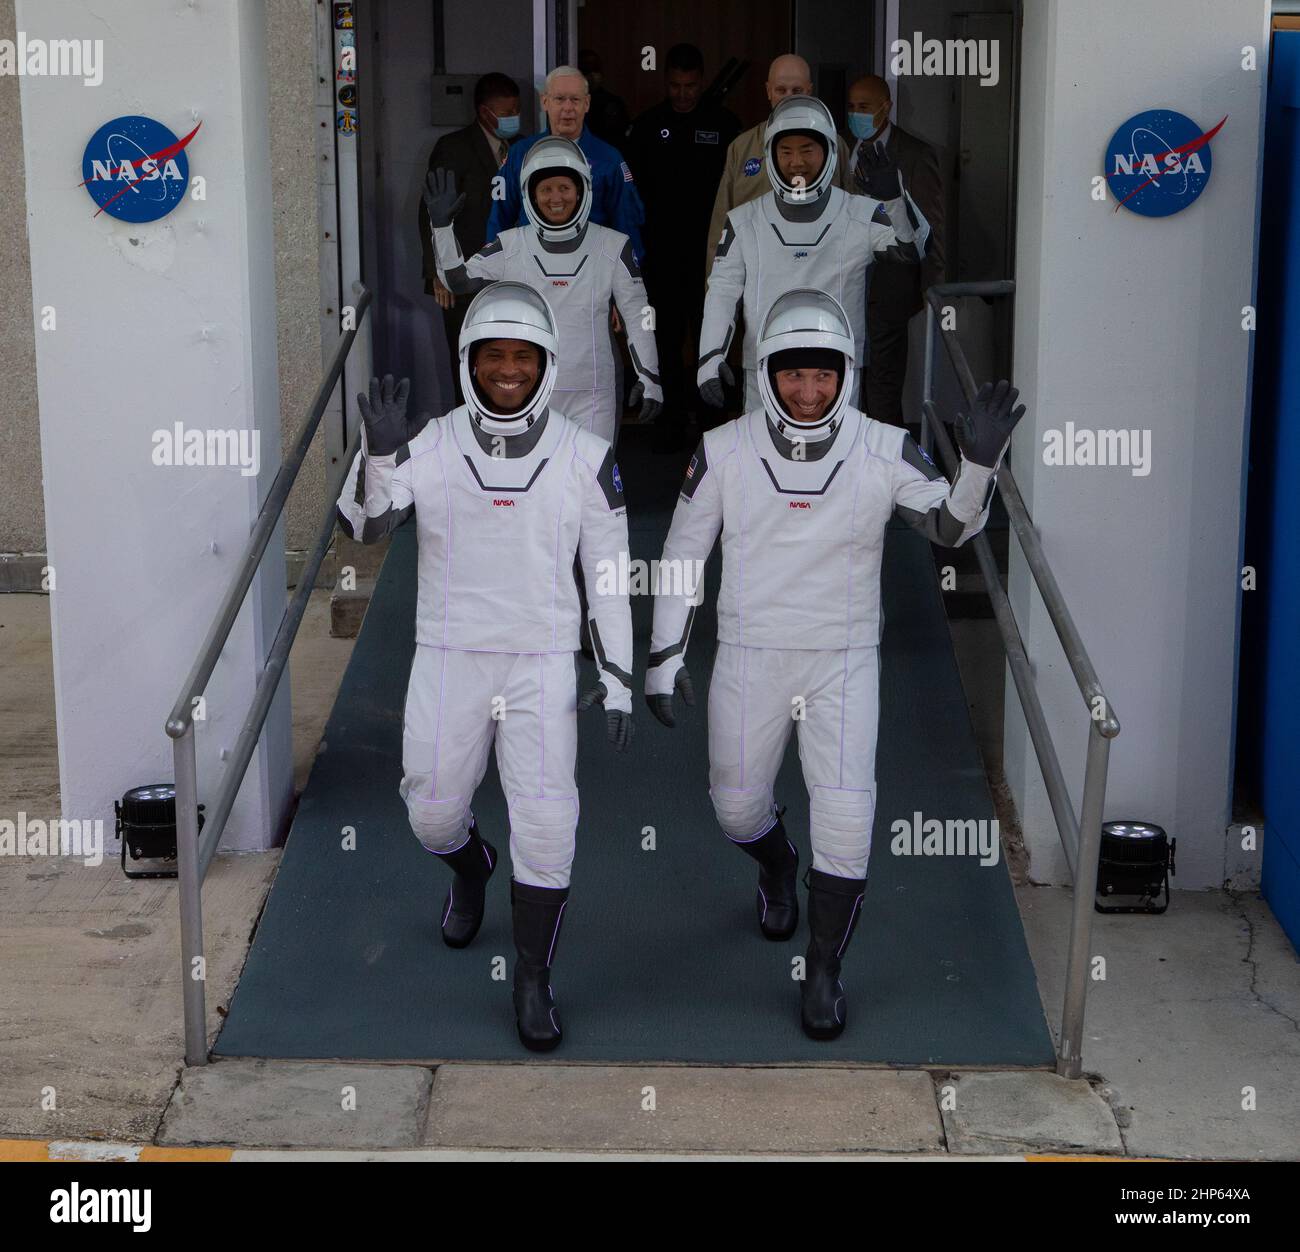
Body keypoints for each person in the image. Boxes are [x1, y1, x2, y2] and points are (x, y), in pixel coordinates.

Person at [646, 288, 1023, 1039]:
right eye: (793, 375)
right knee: (735, 807)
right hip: (752, 654)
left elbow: (947, 526)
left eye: (823, 376)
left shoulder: (884, 448)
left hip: (844, 659)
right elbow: (683, 553)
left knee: (847, 823)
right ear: (768, 373)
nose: (808, 390)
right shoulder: (723, 449)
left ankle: (823, 970)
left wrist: (977, 467)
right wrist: (663, 657)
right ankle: (777, 865)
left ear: (845, 373)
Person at [335, 282, 635, 1053]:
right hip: (449, 654)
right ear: (470, 362)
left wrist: (622, 673)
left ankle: (533, 979)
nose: (508, 370)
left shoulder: (586, 456)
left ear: (545, 364)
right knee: (432, 812)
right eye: (493, 356)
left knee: (548, 823)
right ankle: (471, 869)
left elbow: (608, 575)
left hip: (540, 662)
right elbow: (366, 528)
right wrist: (376, 454)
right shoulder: (430, 441)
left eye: (523, 357)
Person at [698, 94, 930, 414]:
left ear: (830, 152)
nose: (797, 162)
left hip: (836, 368)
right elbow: (722, 290)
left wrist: (893, 199)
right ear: (770, 154)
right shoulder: (744, 221)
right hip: (765, 366)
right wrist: (710, 356)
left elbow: (912, 250)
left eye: (807, 150)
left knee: (837, 459)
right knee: (763, 459)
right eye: (786, 151)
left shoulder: (860, 212)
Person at [426, 135, 662, 446]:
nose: (556, 198)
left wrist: (650, 376)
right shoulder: (510, 244)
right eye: (546, 189)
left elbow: (639, 314)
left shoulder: (614, 246)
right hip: (530, 389)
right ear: (531, 196)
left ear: (581, 191)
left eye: (564, 188)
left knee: (593, 483)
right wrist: (442, 228)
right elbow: (459, 282)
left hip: (594, 392)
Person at [625, 43, 741, 449]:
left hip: (711, 258)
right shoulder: (646, 127)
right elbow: (630, 198)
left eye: (690, 86)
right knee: (665, 340)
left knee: (713, 338)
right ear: (666, 81)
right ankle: (670, 424)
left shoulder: (726, 126)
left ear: (702, 80)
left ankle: (715, 426)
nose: (683, 94)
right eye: (675, 85)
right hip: (660, 258)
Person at [846, 75, 945, 425]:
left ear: (885, 107)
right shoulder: (845, 150)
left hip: (892, 285)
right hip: (849, 284)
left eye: (865, 107)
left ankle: (888, 465)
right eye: (852, 107)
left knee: (884, 385)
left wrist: (931, 291)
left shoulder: (915, 154)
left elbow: (931, 227)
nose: (856, 114)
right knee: (849, 379)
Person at [418, 72, 522, 406]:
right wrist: (437, 272)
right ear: (483, 112)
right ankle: (468, 439)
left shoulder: (523, 148)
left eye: (515, 112)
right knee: (468, 360)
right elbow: (430, 213)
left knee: (514, 359)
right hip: (464, 276)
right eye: (504, 114)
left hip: (516, 273)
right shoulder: (454, 147)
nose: (511, 120)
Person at [704, 54, 852, 276]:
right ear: (768, 91)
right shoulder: (742, 147)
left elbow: (850, 219)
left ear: (809, 91)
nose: (788, 98)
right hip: (755, 276)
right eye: (781, 90)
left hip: (817, 274)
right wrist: (715, 294)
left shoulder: (833, 145)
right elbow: (721, 229)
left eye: (797, 91)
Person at [486, 65, 644, 264]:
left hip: (590, 274)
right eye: (559, 99)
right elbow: (500, 218)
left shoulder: (609, 159)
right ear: (545, 102)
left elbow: (626, 224)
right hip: (531, 271)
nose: (567, 108)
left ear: (586, 104)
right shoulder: (520, 154)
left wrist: (630, 276)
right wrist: (493, 267)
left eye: (575, 100)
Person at [578, 48, 631, 147]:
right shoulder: (571, 104)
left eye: (596, 70)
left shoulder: (614, 103)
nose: (592, 75)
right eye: (586, 70)